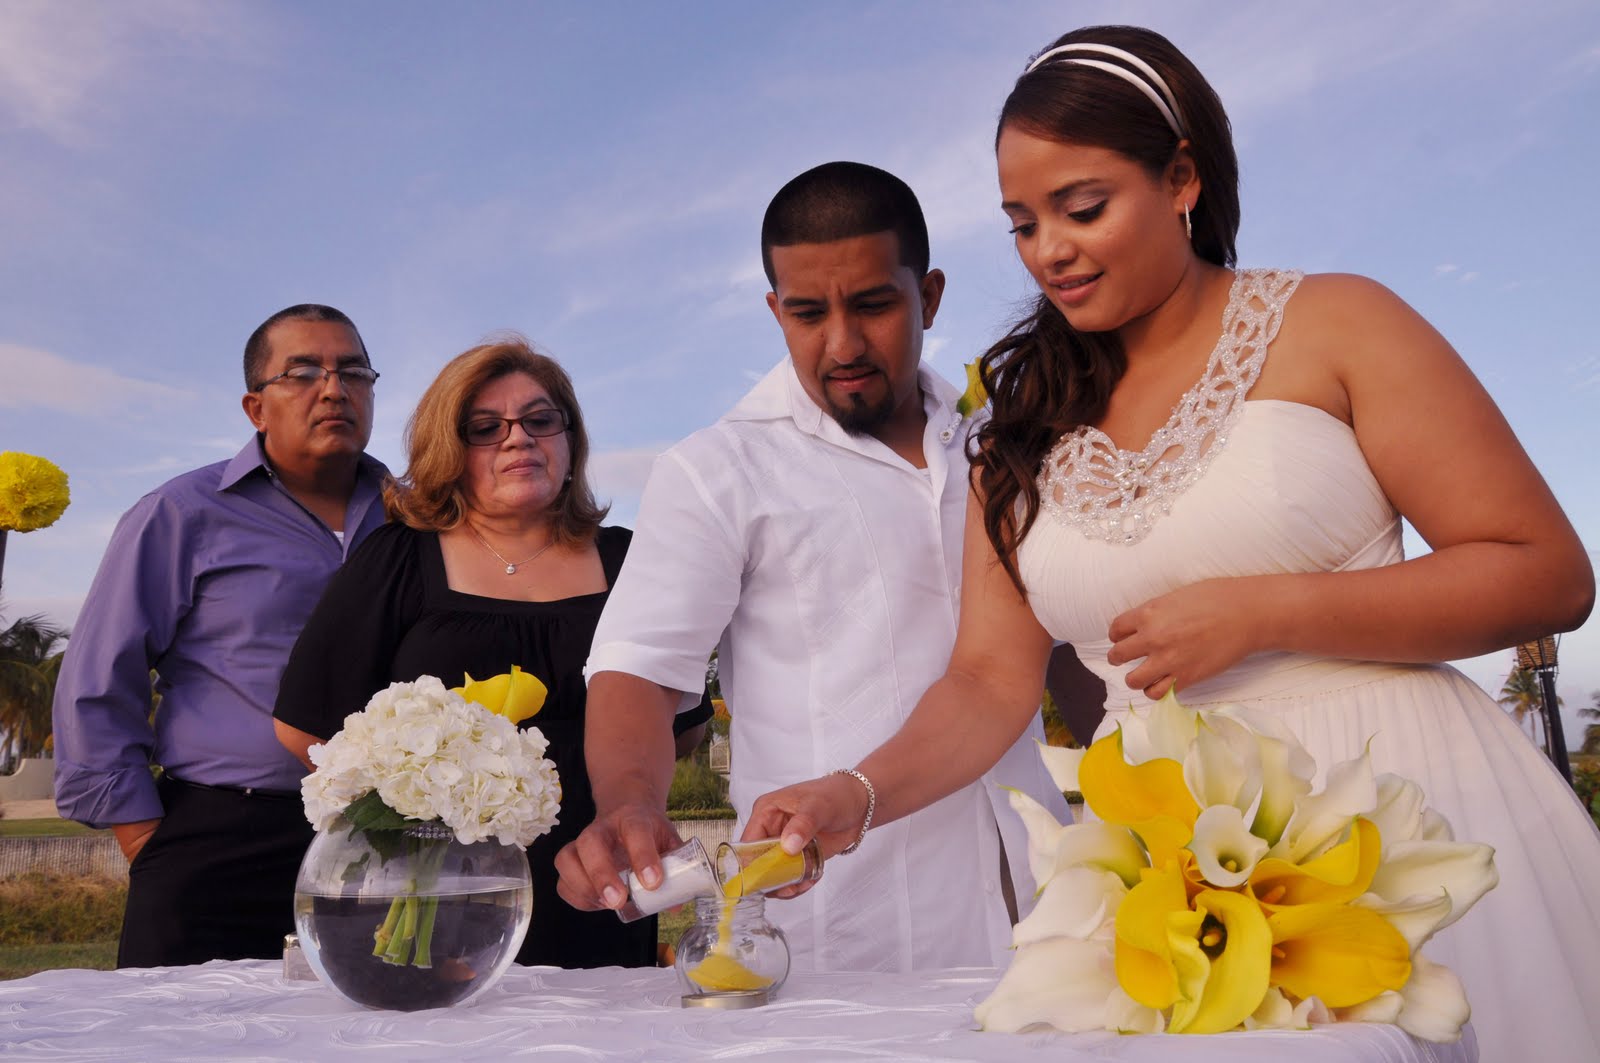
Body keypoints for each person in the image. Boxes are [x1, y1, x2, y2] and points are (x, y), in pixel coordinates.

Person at [746, 25, 1600, 1059]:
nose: (1048, 248)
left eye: (1082, 206)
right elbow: (983, 682)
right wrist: (854, 790)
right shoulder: (1014, 428)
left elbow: (1544, 572)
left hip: (1408, 823)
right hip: (1161, 878)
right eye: (1021, 223)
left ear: (1181, 177)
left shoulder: (1336, 324)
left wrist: (1270, 609)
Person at [553, 162, 1069, 974]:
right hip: (839, 932)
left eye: (873, 304)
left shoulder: (1001, 448)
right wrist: (628, 803)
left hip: (1045, 913)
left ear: (928, 295)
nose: (843, 344)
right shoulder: (719, 468)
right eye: (806, 312)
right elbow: (639, 672)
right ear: (774, 310)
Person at [272, 337, 710, 970]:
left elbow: (682, 728)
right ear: (449, 447)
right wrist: (422, 811)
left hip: (598, 877)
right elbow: (305, 729)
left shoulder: (631, 561)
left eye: (540, 420)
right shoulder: (396, 558)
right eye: (485, 428)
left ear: (569, 439)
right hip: (438, 891)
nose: (518, 439)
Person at [51, 303, 388, 967]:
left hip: (382, 840)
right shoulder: (181, 513)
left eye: (353, 371)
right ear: (255, 406)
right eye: (303, 373)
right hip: (218, 838)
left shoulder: (415, 517)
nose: (333, 388)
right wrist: (143, 834)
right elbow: (99, 676)